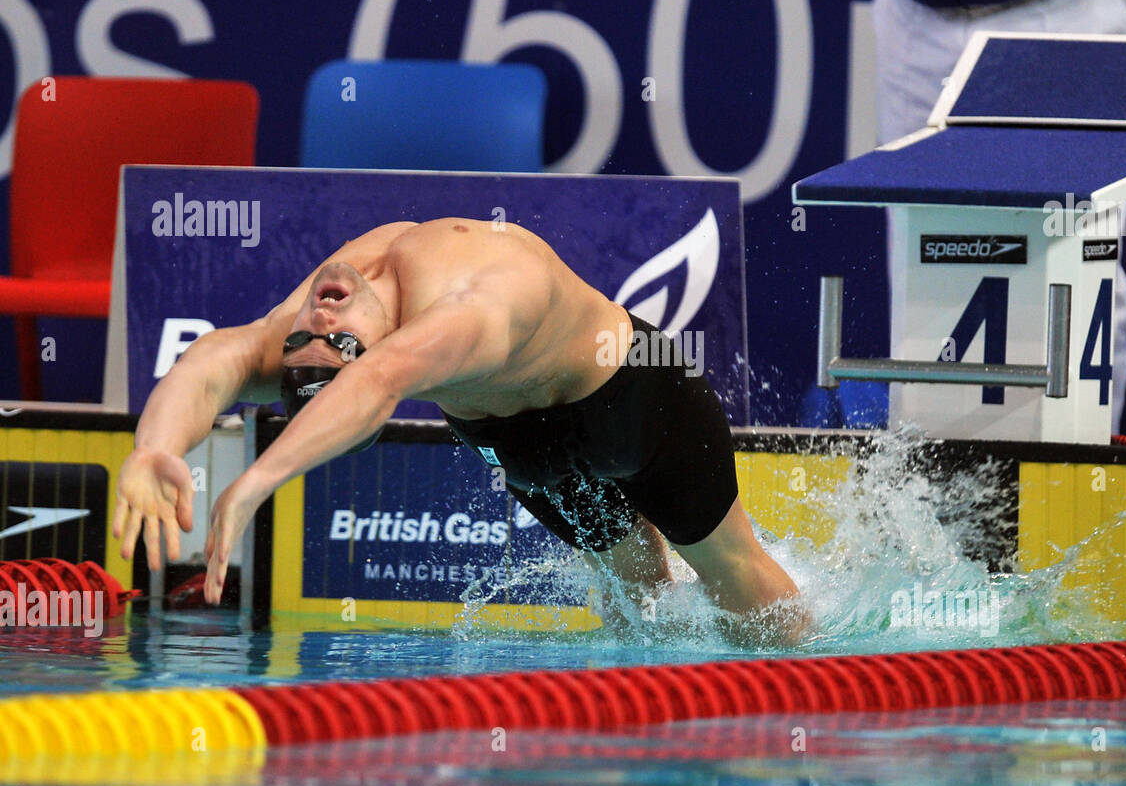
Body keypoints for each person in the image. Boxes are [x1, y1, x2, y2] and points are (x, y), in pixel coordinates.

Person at [111, 217, 806, 645]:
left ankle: (817, 696)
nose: (317, 326)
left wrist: (253, 481)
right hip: (521, 449)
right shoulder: (376, 327)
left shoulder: (464, 295)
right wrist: (155, 447)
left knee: (729, 566)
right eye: (312, 345)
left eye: (312, 337)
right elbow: (223, 364)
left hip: (631, 400)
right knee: (636, 596)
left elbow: (354, 379)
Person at [871, 0, 1126, 428]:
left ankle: (1077, 503)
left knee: (1077, 292)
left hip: (1070, 2)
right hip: (912, 11)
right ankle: (938, 509)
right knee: (926, 297)